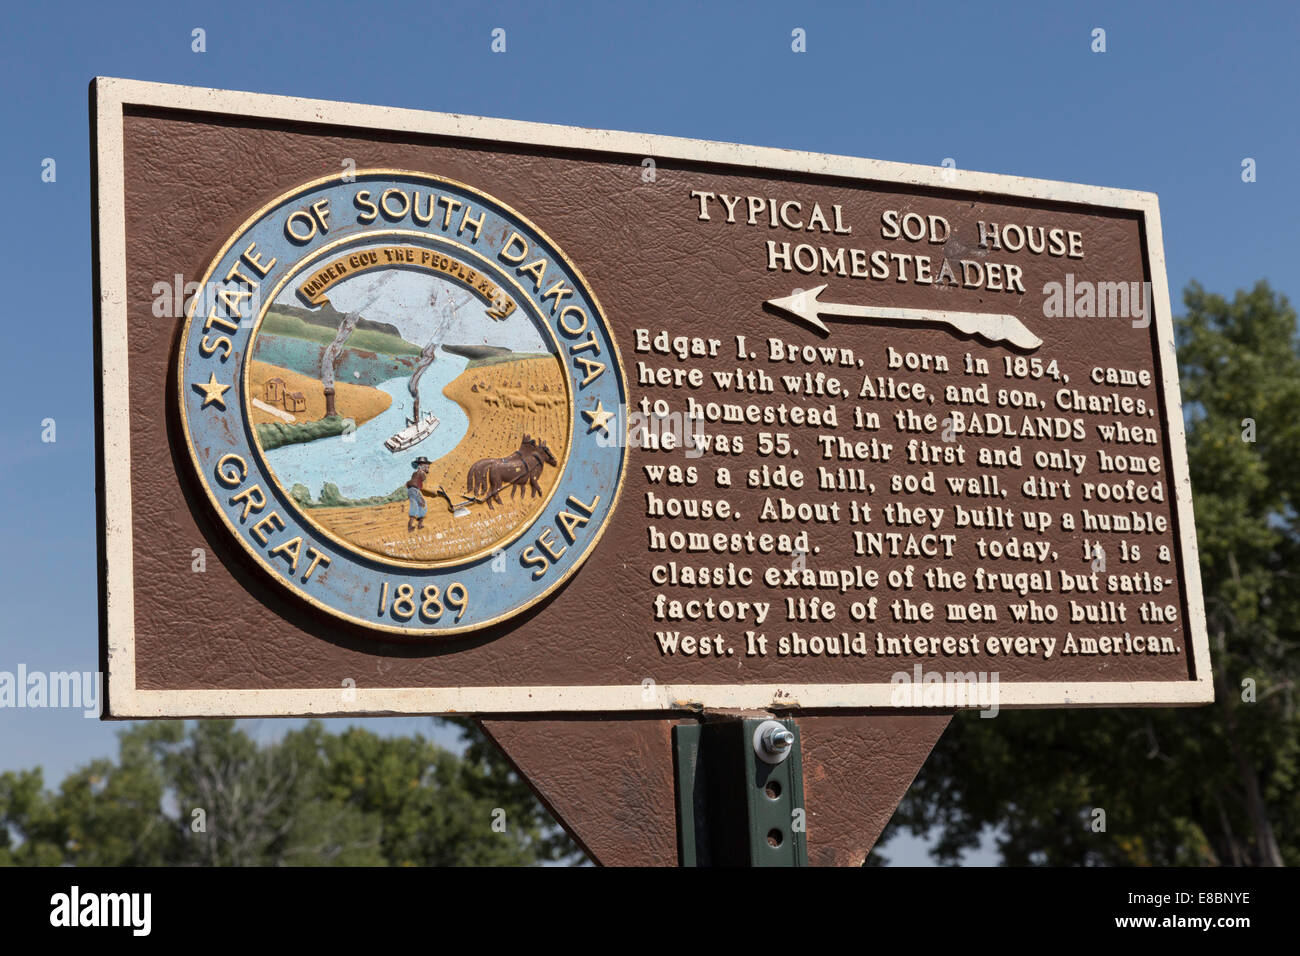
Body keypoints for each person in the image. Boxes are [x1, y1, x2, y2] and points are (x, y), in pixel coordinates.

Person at [407, 456, 435, 531]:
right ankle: (417, 524)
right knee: (422, 505)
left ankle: (414, 524)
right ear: (422, 466)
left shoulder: (415, 473)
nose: (428, 469)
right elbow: (422, 483)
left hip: (411, 490)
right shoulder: (421, 473)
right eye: (427, 467)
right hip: (415, 490)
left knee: (415, 506)